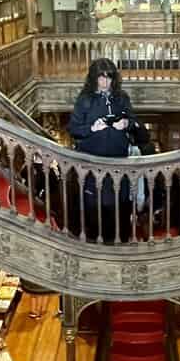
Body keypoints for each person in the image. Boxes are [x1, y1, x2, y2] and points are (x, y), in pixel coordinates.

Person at [67, 57, 139, 240]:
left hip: (119, 163)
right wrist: (92, 128)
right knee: (96, 207)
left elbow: (135, 123)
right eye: (101, 77)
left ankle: (121, 242)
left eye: (108, 77)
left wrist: (126, 123)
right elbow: (73, 129)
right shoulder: (85, 100)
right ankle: (96, 244)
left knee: (120, 205)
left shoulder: (122, 98)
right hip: (93, 164)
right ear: (94, 78)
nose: (105, 82)